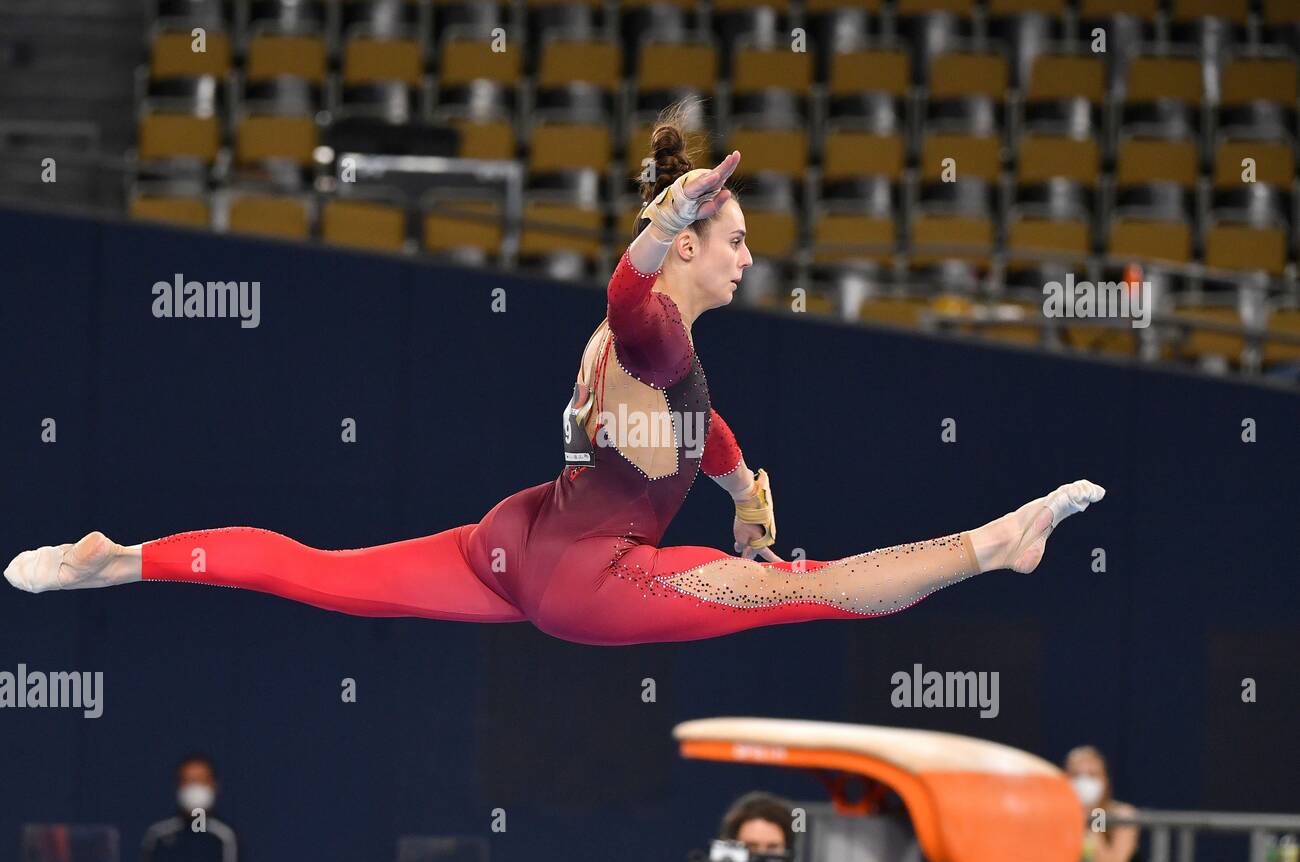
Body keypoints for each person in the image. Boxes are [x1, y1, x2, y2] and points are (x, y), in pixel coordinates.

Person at [4, 100, 1104, 646]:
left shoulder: (666, 363)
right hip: (589, 583)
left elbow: (697, 436)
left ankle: (119, 559)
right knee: (810, 592)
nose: (750, 257)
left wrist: (738, 488)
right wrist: (656, 227)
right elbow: (632, 308)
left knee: (314, 569)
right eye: (733, 242)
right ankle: (994, 543)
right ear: (686, 249)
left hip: (514, 540)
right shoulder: (655, 324)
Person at [140, 753, 238, 862]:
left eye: (200, 780)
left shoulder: (225, 837)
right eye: (188, 781)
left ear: (214, 785)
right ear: (178, 786)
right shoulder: (157, 837)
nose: (194, 787)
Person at [1066, 744, 1139, 862]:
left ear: (1105, 781)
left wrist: (1094, 815)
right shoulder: (1058, 814)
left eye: (1092, 775)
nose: (1084, 782)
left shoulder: (1122, 814)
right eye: (1076, 775)